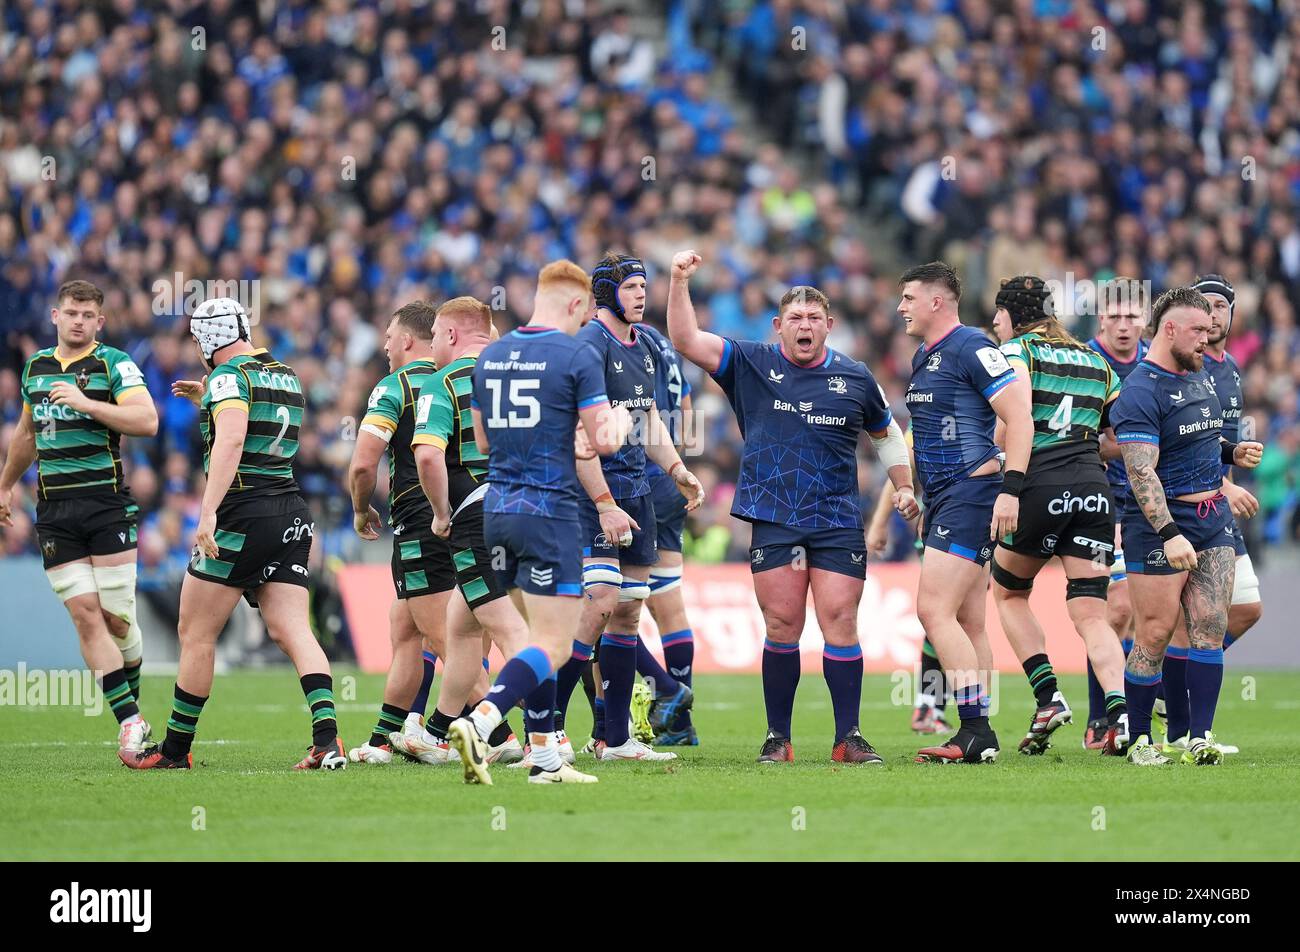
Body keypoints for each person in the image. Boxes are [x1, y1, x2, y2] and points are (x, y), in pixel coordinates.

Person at [668, 250, 917, 764]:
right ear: (779, 326)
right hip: (775, 513)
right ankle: (777, 738)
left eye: (814, 319)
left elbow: (886, 434)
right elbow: (686, 340)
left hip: (836, 518)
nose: (805, 326)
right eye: (795, 319)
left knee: (840, 621)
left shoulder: (856, 377)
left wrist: (904, 485)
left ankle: (848, 738)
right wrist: (677, 280)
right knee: (782, 624)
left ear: (829, 325)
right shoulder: (752, 362)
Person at [122, 297, 346, 770]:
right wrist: (212, 403)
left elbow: (235, 439)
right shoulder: (285, 374)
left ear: (206, 341)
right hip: (290, 511)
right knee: (294, 629)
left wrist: (207, 514)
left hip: (243, 514)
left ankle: (176, 751)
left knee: (196, 630)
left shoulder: (227, 378)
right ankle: (327, 741)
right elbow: (266, 432)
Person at [445, 260, 627, 785]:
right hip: (548, 512)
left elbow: (481, 443)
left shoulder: (491, 355)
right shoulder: (577, 354)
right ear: (576, 305)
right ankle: (479, 723)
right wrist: (609, 422)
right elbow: (607, 439)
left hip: (496, 509)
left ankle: (544, 757)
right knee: (554, 643)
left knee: (530, 639)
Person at [552, 252, 704, 762]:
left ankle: (614, 739)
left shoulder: (644, 346)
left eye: (645, 285)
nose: (642, 293)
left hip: (639, 490)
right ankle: (546, 729)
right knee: (597, 604)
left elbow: (647, 420)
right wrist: (602, 503)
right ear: (606, 293)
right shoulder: (588, 346)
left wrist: (678, 470)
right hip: (597, 494)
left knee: (628, 614)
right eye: (632, 286)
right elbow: (580, 438)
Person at [0, 279, 158, 754]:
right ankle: (130, 722)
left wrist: (88, 403)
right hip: (54, 511)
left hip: (106, 504)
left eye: (88, 316)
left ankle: (132, 702)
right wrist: (6, 484)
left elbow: (147, 421)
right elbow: (28, 434)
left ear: (99, 322)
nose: (78, 321)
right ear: (55, 316)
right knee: (86, 616)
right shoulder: (35, 368)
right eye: (71, 313)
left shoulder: (115, 364)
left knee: (115, 619)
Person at [1109, 287, 1264, 766]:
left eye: (1209, 327)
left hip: (1212, 517)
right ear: (1169, 329)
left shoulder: (1201, 377)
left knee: (1211, 628)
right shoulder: (1139, 389)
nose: (1207, 335)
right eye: (1197, 329)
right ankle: (1138, 739)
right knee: (1154, 634)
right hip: (1159, 525)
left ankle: (1198, 736)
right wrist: (1169, 533)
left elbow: (1198, 438)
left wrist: (1230, 453)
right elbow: (1141, 471)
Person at [897, 261, 1035, 764]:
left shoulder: (973, 347)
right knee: (969, 620)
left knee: (932, 611)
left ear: (937, 301)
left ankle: (974, 729)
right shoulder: (924, 356)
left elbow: (1020, 418)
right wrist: (914, 489)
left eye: (908, 298)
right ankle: (982, 730)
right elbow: (927, 433)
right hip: (946, 497)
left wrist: (1011, 490)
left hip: (973, 494)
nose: (900, 307)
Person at [988, 276, 1129, 756]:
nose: (994, 326)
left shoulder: (1016, 353)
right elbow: (1119, 436)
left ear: (1012, 316)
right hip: (1094, 490)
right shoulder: (1098, 362)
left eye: (997, 318)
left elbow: (1013, 427)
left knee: (1008, 592)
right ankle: (1120, 712)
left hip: (1039, 484)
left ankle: (1048, 696)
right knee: (1092, 612)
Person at [410, 296, 536, 765]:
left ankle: (547, 737)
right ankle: (439, 731)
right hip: (538, 506)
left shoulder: (444, 381)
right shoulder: (522, 372)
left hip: (481, 511)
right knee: (462, 625)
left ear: (448, 335)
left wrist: (441, 513)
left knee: (513, 633)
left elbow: (427, 455)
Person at [344, 301, 458, 765]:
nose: (385, 345)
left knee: (450, 642)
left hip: (421, 519)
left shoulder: (396, 386)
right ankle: (383, 739)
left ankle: (511, 733)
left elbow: (362, 464)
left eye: (389, 336)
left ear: (408, 340)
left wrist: (359, 508)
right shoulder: (456, 379)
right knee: (406, 627)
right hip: (464, 516)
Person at [1159, 275, 1263, 755]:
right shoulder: (1184, 368)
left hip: (1218, 506)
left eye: (1222, 306)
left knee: (1244, 610)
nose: (1215, 316)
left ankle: (1172, 693)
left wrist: (1235, 457)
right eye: (1207, 308)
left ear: (1231, 315)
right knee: (1186, 621)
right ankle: (1178, 723)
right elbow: (1178, 442)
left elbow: (1215, 440)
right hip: (1190, 503)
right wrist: (1223, 483)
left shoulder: (1232, 370)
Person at [1084, 281, 1150, 747]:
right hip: (1100, 500)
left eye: (1133, 317)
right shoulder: (1086, 362)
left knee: (1153, 616)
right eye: (1116, 318)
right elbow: (1083, 434)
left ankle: (1144, 701)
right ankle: (1104, 717)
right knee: (1116, 609)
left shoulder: (1155, 363)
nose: (1124, 327)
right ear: (1101, 321)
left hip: (1154, 499)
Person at [638, 318, 702, 746]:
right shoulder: (661, 343)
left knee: (605, 605)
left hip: (632, 477)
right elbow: (688, 405)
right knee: (669, 607)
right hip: (669, 475)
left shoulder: (609, 342)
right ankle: (679, 724)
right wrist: (682, 460)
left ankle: (617, 720)